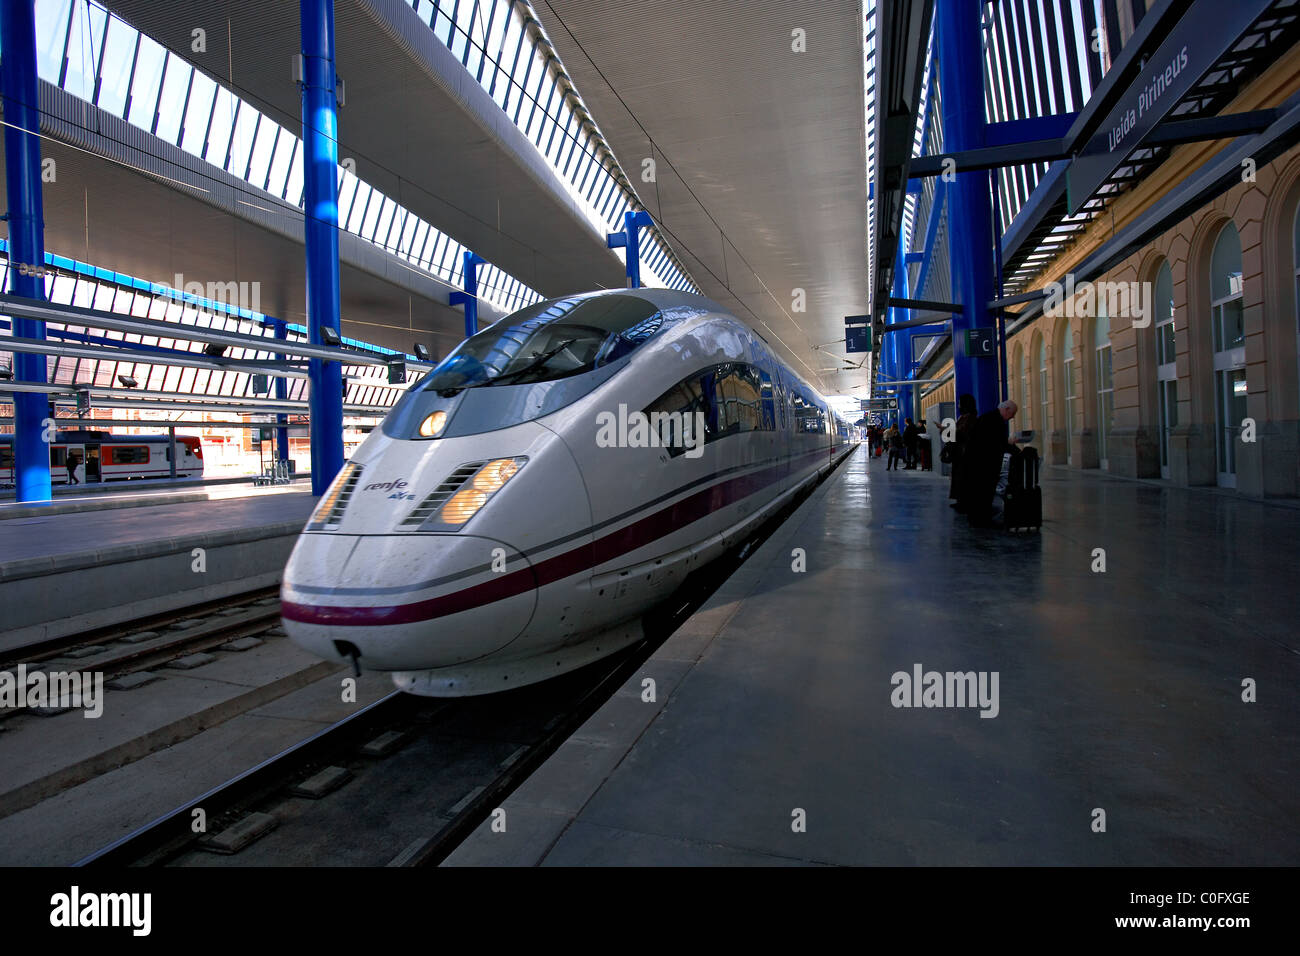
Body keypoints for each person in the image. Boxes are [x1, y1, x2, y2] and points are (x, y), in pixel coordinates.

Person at [966, 399, 1020, 527]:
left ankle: (978, 518)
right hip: (985, 465)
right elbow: (998, 444)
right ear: (1006, 409)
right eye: (1012, 413)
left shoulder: (988, 417)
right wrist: (1013, 448)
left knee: (979, 493)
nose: (1012, 417)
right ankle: (982, 519)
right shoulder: (996, 421)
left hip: (978, 464)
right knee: (984, 493)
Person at [949, 394, 977, 509]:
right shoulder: (963, 418)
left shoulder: (970, 419)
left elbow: (962, 433)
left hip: (964, 453)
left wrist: (948, 431)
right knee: (958, 477)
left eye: (960, 403)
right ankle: (959, 499)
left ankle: (964, 502)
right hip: (958, 452)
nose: (959, 406)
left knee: (963, 477)